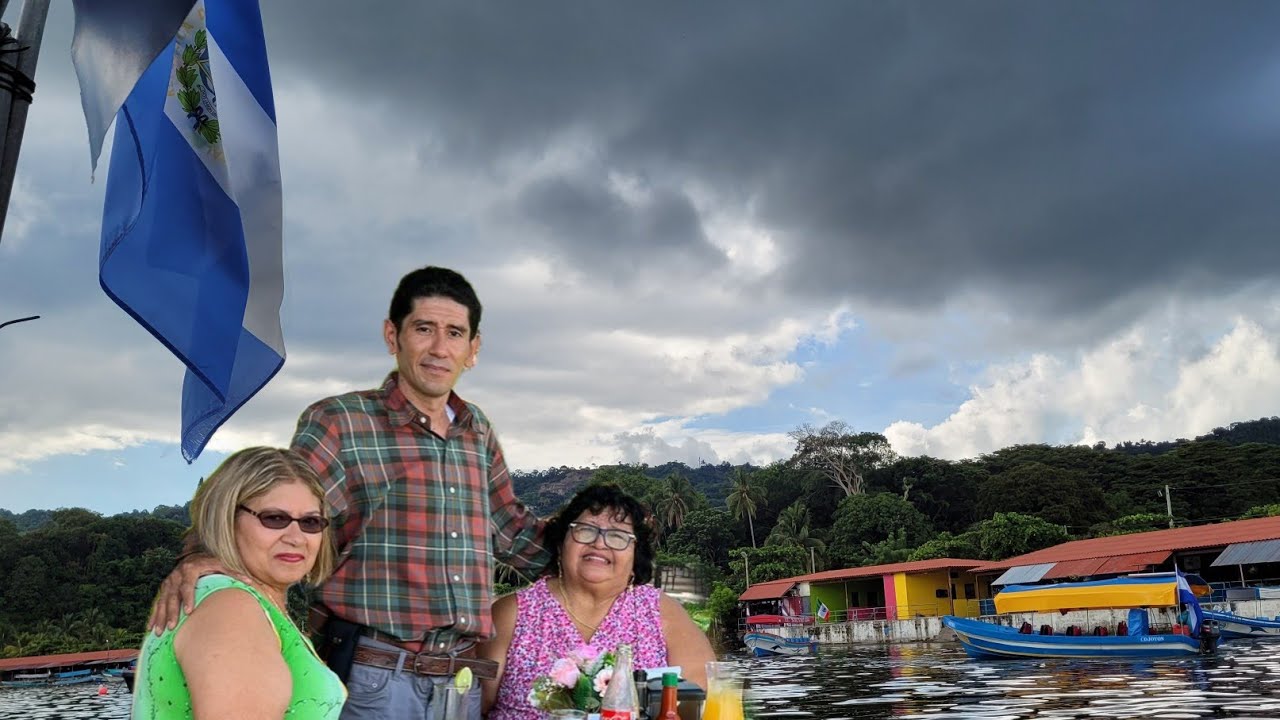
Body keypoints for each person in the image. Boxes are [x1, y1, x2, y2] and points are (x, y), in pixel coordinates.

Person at [150, 266, 548, 720]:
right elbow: (276, 510)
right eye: (424, 329)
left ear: (472, 349)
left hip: (461, 684)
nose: (440, 348)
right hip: (374, 678)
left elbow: (513, 532)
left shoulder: (477, 431)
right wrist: (201, 556)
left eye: (455, 333)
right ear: (392, 335)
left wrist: (604, 537)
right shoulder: (341, 422)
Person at [132, 447, 344, 719]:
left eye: (310, 522)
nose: (296, 537)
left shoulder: (250, 606)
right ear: (227, 519)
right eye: (274, 518)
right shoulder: (232, 609)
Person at [479, 484, 716, 720]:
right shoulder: (512, 613)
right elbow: (470, 704)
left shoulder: (661, 611)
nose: (600, 543)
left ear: (635, 556)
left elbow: (702, 699)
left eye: (618, 535)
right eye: (585, 530)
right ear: (561, 545)